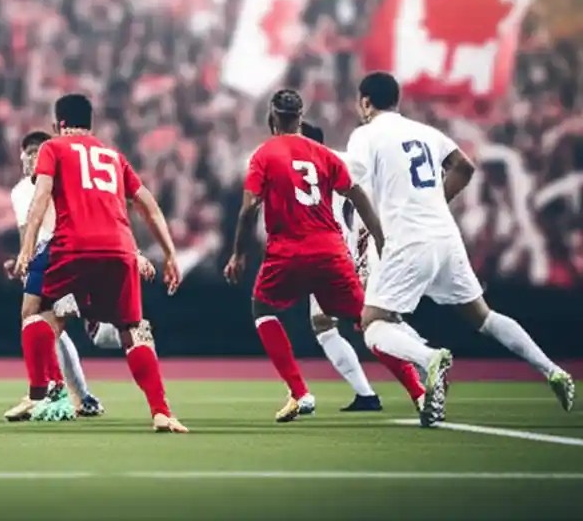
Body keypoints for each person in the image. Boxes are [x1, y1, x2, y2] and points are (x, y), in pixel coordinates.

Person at [347, 72, 574, 427]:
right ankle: (552, 370)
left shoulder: (365, 135)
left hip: (407, 240)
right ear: (397, 101)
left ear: (365, 102)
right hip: (445, 237)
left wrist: (375, 235)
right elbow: (464, 167)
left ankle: (429, 358)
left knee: (373, 325)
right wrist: (438, 199)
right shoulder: (425, 131)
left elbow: (353, 186)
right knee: (484, 317)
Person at [224, 89, 424, 423]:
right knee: (367, 322)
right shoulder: (324, 154)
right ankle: (419, 391)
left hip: (287, 251)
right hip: (330, 252)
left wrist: (238, 254)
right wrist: (379, 238)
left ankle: (300, 392)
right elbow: (357, 194)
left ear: (272, 118)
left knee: (262, 308)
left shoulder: (263, 154)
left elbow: (248, 210)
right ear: (301, 118)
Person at [11, 94, 187, 433]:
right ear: (91, 123)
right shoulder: (113, 156)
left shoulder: (54, 149)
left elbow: (40, 199)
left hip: (72, 248)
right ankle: (161, 411)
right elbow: (148, 205)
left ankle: (40, 393)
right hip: (120, 250)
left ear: (58, 124)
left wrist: (26, 248)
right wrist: (169, 254)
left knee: (37, 316)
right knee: (133, 332)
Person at [300, 121, 425, 413]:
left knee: (370, 323)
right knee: (331, 323)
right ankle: (370, 392)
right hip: (349, 251)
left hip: (334, 255)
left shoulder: (314, 164)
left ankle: (426, 364)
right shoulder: (346, 162)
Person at [3, 130, 123, 420]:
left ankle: (49, 391)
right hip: (43, 256)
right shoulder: (19, 192)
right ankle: (73, 394)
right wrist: (22, 258)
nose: (31, 158)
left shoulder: (62, 178)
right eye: (28, 152)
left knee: (40, 320)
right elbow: (27, 229)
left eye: (37, 152)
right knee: (44, 323)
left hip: (67, 253)